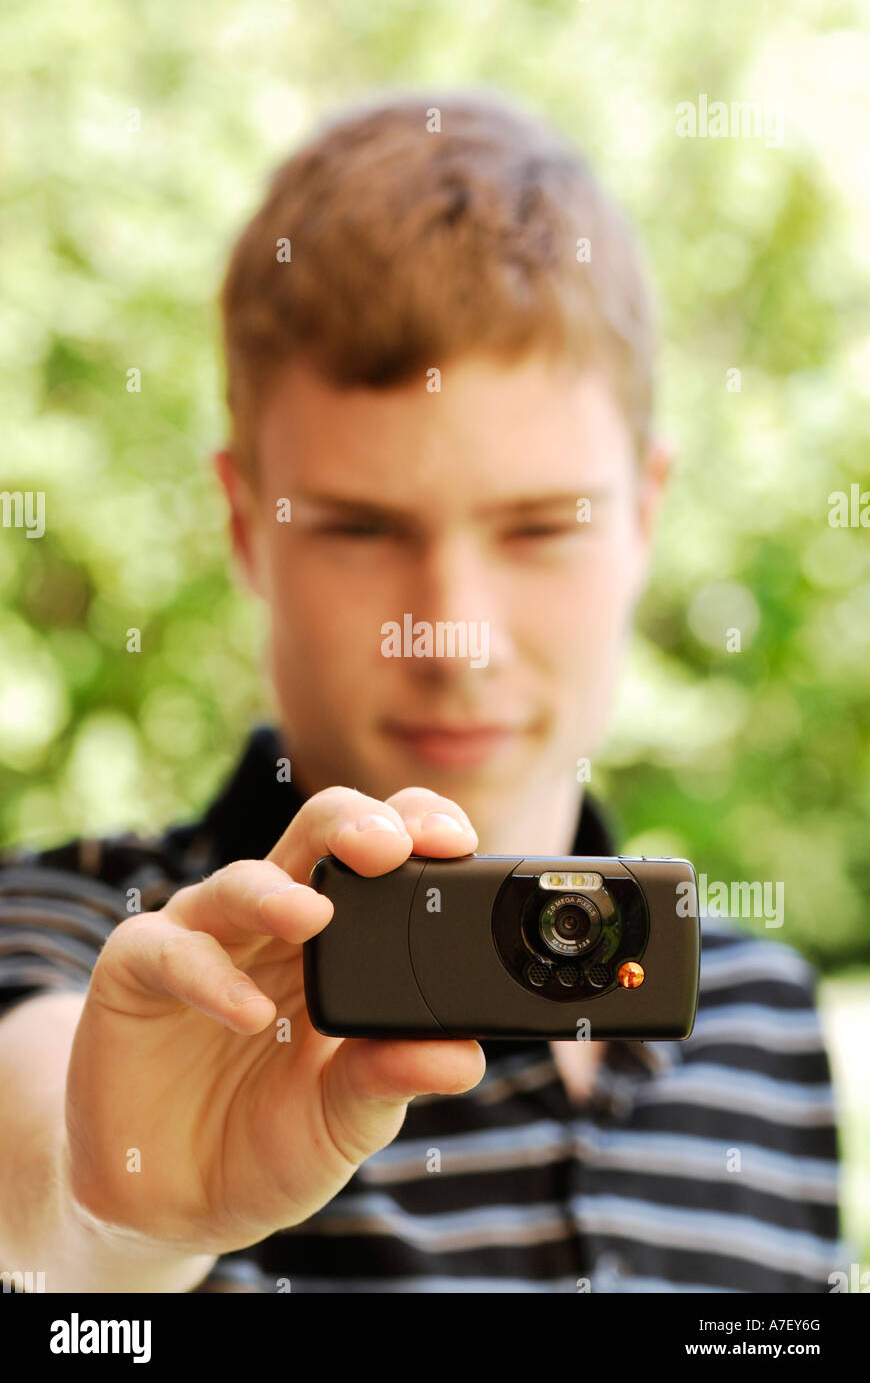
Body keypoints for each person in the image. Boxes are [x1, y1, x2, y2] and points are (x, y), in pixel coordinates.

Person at [0, 87, 844, 1293]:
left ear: (646, 514)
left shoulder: (764, 1020)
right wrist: (122, 1221)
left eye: (543, 526)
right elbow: (42, 1193)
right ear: (248, 524)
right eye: (356, 527)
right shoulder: (87, 942)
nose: (453, 633)